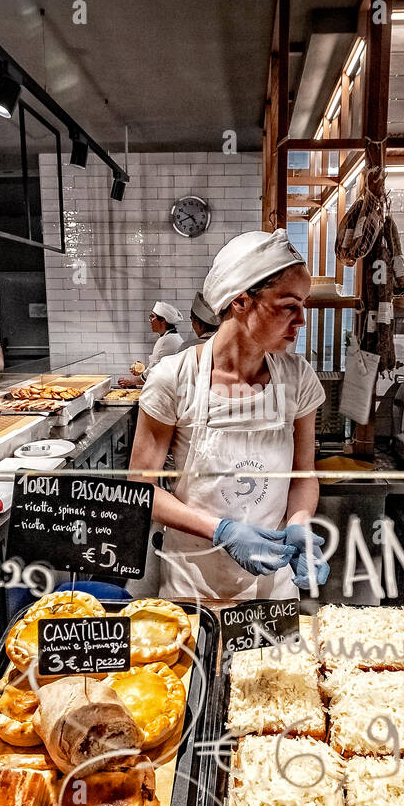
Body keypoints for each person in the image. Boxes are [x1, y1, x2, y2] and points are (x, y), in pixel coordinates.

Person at [129, 229, 331, 600]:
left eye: (304, 304)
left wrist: (300, 522)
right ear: (241, 301)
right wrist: (222, 531)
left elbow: (303, 475)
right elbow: (142, 489)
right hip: (193, 582)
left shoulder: (297, 377)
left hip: (272, 588)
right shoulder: (175, 378)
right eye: (289, 305)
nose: (301, 320)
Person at [118, 300, 183, 387]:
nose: (150, 320)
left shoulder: (166, 340)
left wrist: (131, 381)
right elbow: (159, 367)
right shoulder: (171, 337)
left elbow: (153, 373)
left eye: (152, 317)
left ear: (163, 320)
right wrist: (141, 372)